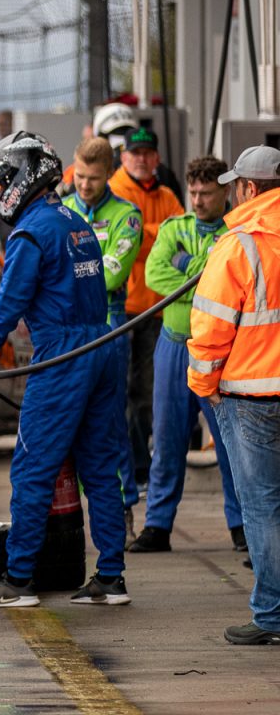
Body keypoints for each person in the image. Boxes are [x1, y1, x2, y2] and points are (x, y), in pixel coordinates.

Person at [0, 132, 130, 608]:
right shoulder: (74, 220)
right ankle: (111, 577)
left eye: (3, 180)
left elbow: (5, 309)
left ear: (22, 177)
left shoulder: (31, 232)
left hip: (62, 357)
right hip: (102, 348)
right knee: (100, 470)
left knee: (33, 469)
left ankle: (18, 580)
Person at [186, 145, 280, 645]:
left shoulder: (238, 245)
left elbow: (210, 331)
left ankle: (271, 615)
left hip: (250, 396)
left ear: (248, 189)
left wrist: (204, 387)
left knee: (263, 507)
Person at [132, 155, 244, 553]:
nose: (197, 200)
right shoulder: (173, 228)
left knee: (231, 443)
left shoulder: (237, 233)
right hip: (174, 344)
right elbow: (153, 276)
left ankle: (241, 526)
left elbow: (227, 283)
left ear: (226, 191)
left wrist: (186, 262)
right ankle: (158, 526)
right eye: (193, 192)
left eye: (206, 193)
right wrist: (199, 267)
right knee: (166, 439)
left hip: (221, 351)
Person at [62, 136, 144, 524]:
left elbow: (113, 275)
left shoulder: (127, 215)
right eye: (79, 176)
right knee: (68, 420)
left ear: (109, 174)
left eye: (93, 178)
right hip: (67, 330)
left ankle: (123, 505)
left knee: (111, 420)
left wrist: (66, 277)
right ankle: (74, 508)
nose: (84, 185)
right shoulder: (60, 212)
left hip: (110, 328)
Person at [110, 126, 184, 485]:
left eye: (147, 153)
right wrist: (160, 235)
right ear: (123, 157)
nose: (141, 159)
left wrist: (144, 233)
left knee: (149, 391)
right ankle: (125, 464)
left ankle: (140, 466)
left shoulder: (168, 194)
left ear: (156, 158)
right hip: (120, 309)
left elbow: (183, 243)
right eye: (134, 153)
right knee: (119, 390)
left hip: (157, 309)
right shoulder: (114, 192)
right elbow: (129, 244)